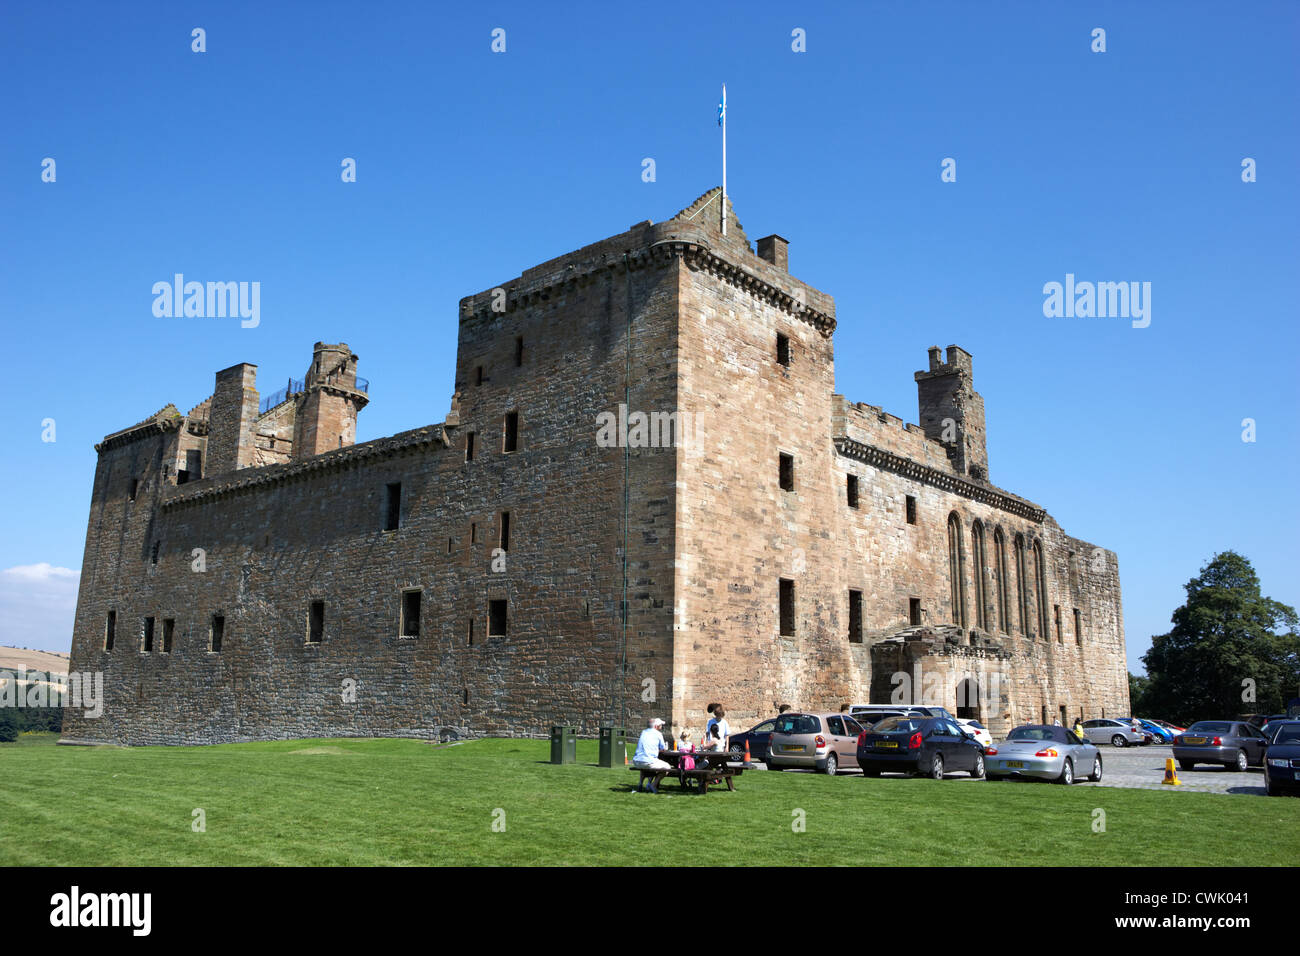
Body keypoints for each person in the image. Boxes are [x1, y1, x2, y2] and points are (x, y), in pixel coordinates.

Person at [632, 717, 671, 793]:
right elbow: (663, 748)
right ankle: (653, 784)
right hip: (648, 761)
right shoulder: (658, 734)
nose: (661, 727)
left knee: (646, 765)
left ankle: (640, 784)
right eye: (660, 725)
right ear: (656, 726)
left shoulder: (643, 732)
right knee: (667, 767)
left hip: (636, 761)